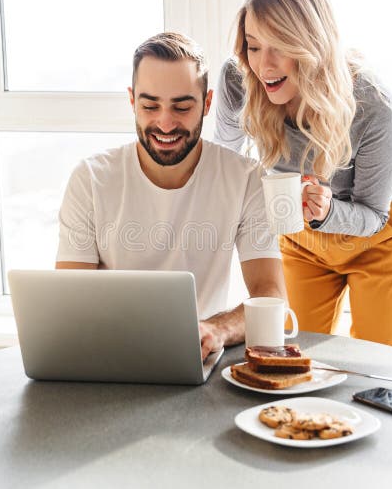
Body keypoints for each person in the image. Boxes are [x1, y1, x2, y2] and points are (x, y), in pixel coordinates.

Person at [215, 0, 392, 349]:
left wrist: (327, 212)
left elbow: (372, 216)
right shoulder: (239, 81)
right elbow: (223, 166)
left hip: (381, 238)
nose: (264, 65)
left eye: (279, 45)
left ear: (310, 43)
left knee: (375, 366)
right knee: (297, 351)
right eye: (253, 45)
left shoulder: (374, 104)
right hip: (302, 237)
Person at [56, 32, 286, 360]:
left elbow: (271, 294)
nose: (165, 123)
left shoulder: (245, 178)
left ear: (207, 104)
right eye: (150, 106)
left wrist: (217, 328)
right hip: (110, 359)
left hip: (200, 357)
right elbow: (69, 302)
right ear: (132, 101)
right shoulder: (90, 180)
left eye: (181, 106)